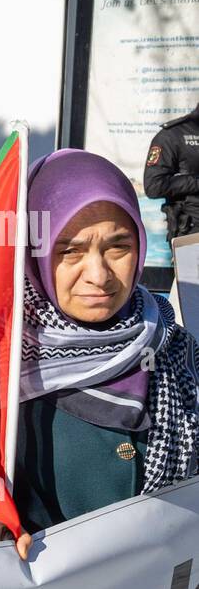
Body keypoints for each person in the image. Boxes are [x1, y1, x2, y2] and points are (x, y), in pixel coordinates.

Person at [12, 150, 199, 557]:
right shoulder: (1, 367)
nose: (98, 275)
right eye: (70, 251)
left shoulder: (177, 349)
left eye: (118, 247)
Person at [143, 102, 199, 242]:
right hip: (192, 231)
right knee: (190, 264)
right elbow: (154, 186)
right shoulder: (173, 135)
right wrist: (196, 181)